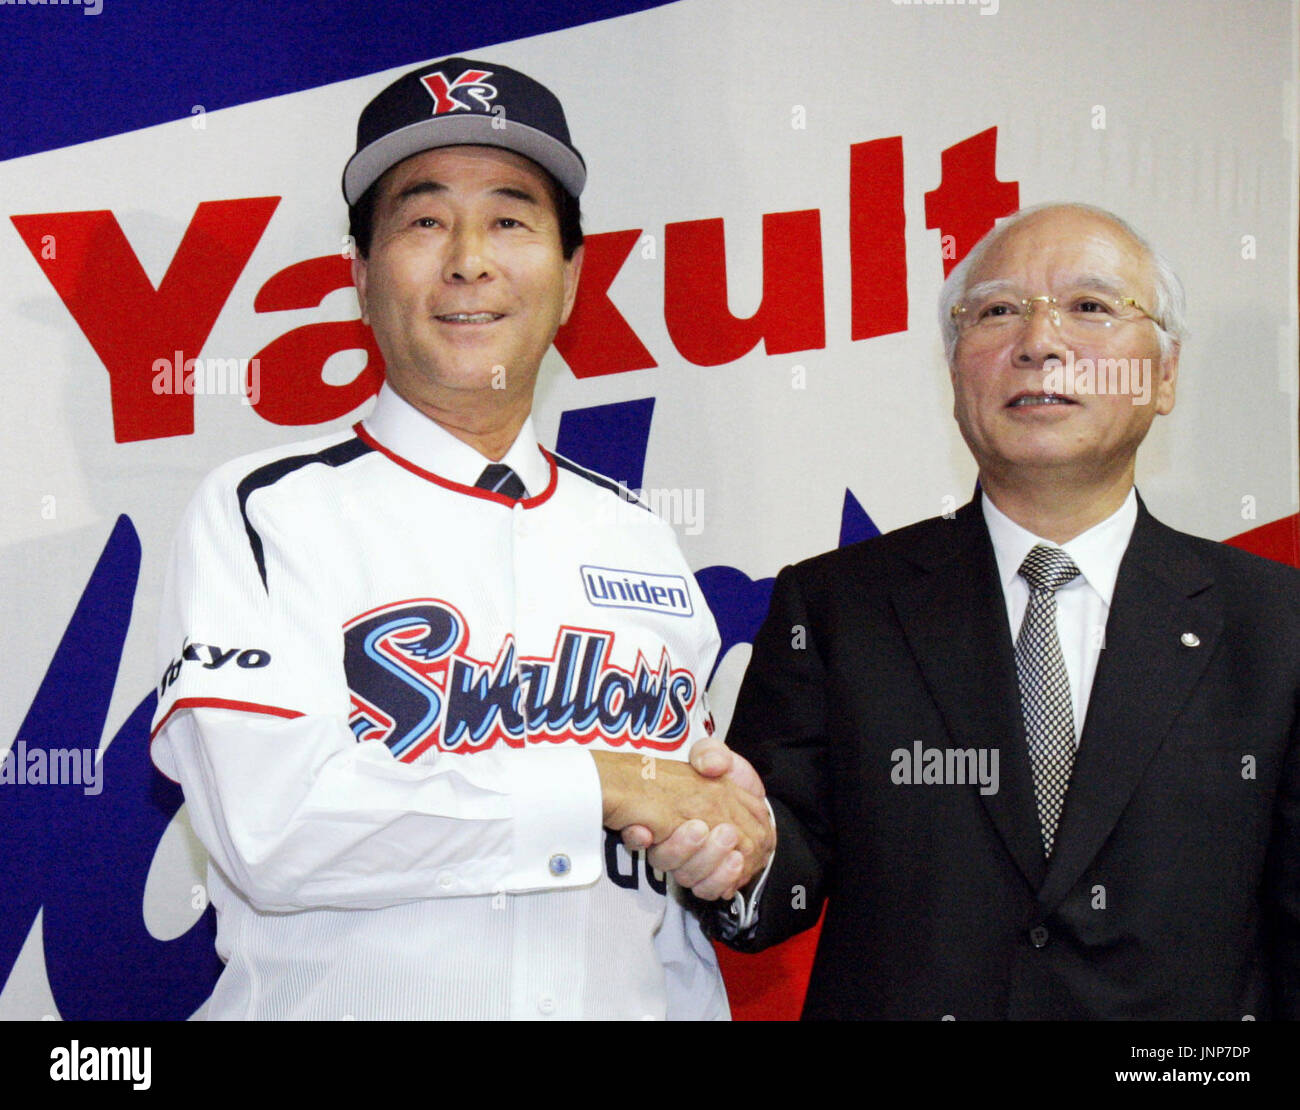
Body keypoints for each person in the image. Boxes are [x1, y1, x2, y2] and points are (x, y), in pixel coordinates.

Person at [149, 56, 772, 1021]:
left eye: (513, 219)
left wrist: (722, 842)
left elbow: (666, 915)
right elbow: (272, 833)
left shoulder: (642, 539)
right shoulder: (265, 509)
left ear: (571, 278)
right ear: (361, 276)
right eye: (425, 219)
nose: (470, 258)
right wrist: (599, 782)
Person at [693, 203, 1300, 1019]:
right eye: (999, 311)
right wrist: (734, 847)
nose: (1040, 343)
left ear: (1164, 375)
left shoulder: (1274, 624)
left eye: (1089, 308)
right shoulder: (836, 607)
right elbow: (777, 878)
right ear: (954, 373)